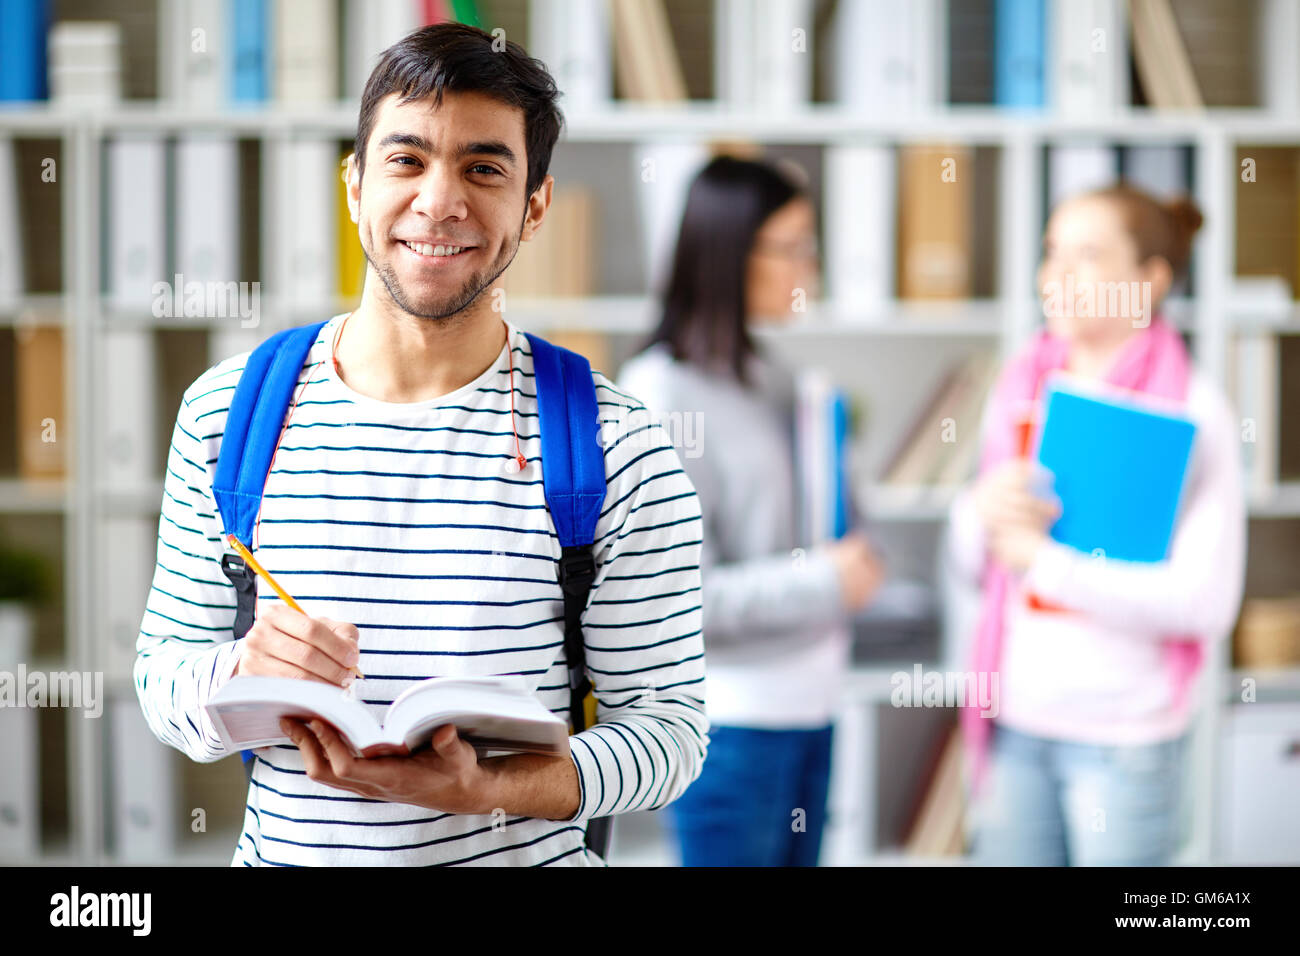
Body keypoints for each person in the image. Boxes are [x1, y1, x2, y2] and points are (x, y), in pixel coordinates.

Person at [133, 22, 707, 866]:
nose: (440, 202)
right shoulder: (228, 413)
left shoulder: (619, 446)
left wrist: (494, 789)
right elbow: (162, 684)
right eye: (407, 160)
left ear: (535, 204)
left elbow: (669, 736)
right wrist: (237, 672)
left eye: (484, 167)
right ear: (355, 184)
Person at [947, 184, 1246, 866]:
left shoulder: (1197, 413)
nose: (1056, 276)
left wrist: (1042, 562)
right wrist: (978, 512)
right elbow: (969, 562)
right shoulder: (1021, 383)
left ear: (1150, 280)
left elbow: (1205, 604)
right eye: (1052, 253)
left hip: (1124, 740)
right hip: (1014, 721)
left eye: (1088, 255)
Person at [618, 156, 885, 867]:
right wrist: (826, 581)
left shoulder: (780, 377)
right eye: (793, 248)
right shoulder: (661, 393)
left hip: (814, 707)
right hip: (731, 728)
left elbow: (824, 528)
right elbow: (671, 599)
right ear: (732, 254)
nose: (811, 268)